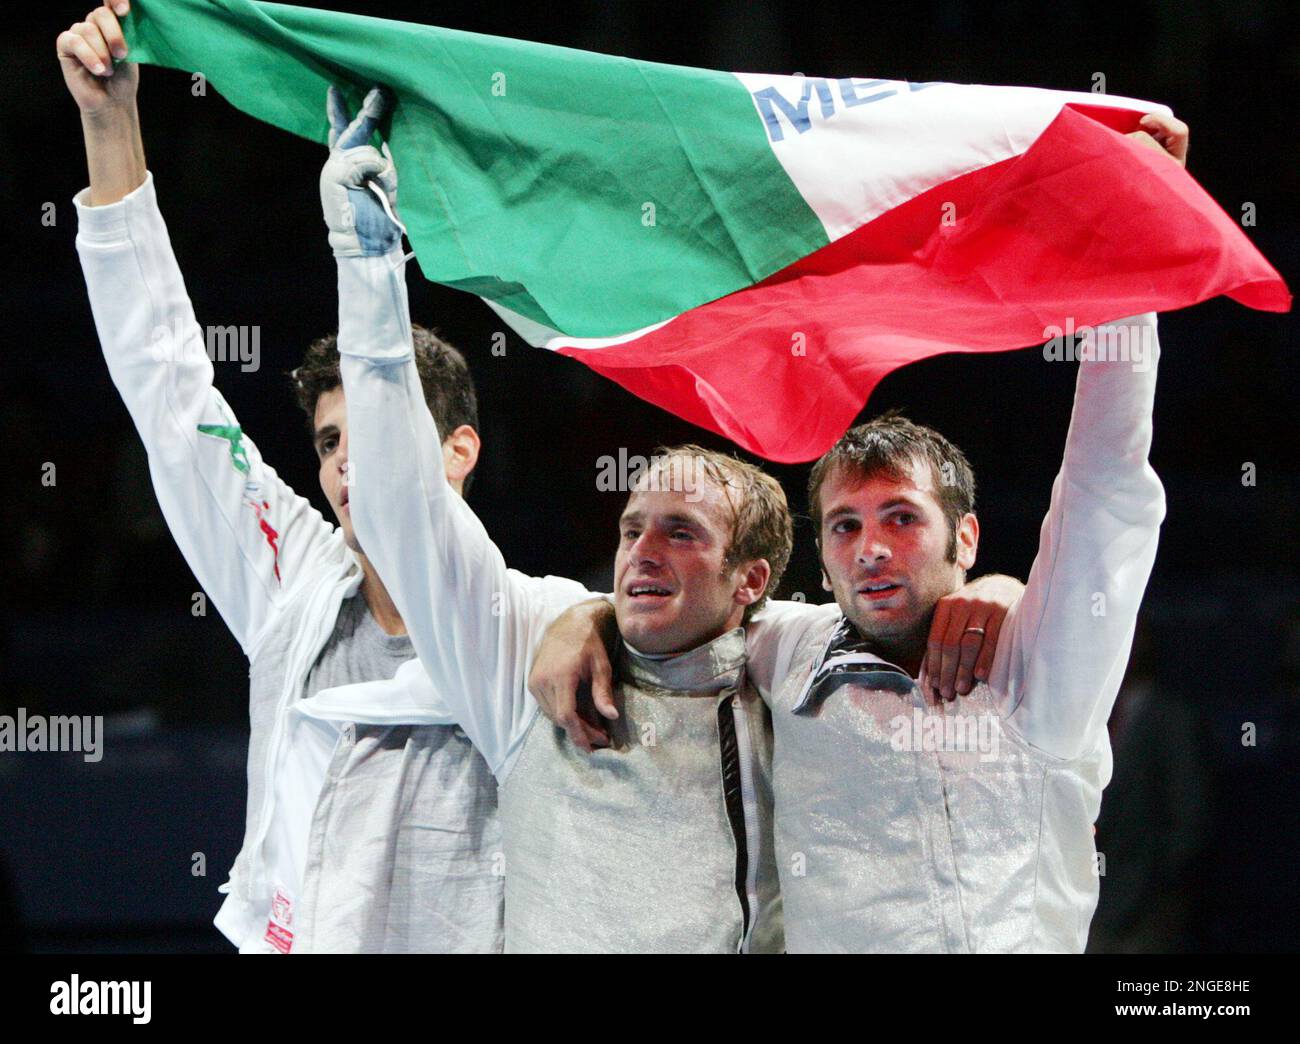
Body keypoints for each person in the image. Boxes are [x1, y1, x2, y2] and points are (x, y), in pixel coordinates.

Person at [315, 86, 1022, 951]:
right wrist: (365, 261)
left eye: (681, 533)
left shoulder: (790, 662)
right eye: (631, 529)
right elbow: (401, 511)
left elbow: (905, 610)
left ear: (751, 582)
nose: (641, 552)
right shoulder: (519, 656)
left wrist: (997, 590)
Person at [533, 117, 1188, 953]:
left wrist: (1131, 248)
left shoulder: (1044, 663)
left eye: (902, 519)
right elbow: (673, 598)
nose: (870, 548)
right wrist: (581, 615)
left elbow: (1109, 488)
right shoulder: (785, 649)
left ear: (968, 539)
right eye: (845, 526)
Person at [61, 2, 505, 953]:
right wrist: (110, 123)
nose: (354, 464)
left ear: (458, 451)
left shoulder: (528, 629)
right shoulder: (289, 579)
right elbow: (169, 388)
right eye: (334, 441)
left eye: (382, 435)